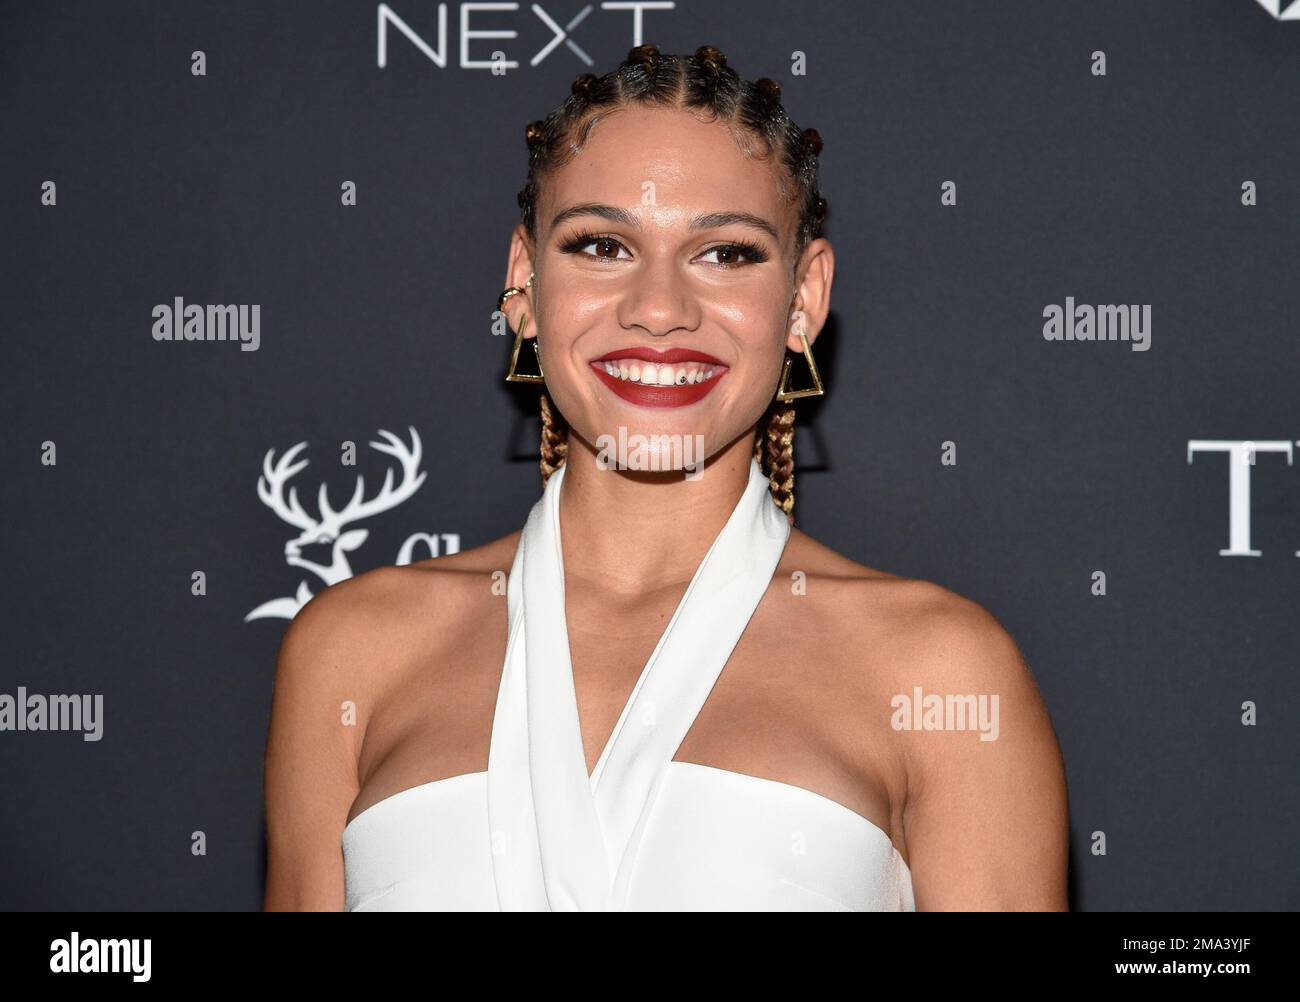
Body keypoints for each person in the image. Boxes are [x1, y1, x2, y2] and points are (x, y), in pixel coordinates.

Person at [263, 43, 1069, 911]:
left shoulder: (941, 674)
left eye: (725, 254)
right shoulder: (351, 655)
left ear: (804, 299)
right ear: (523, 284)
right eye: (602, 245)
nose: (659, 309)